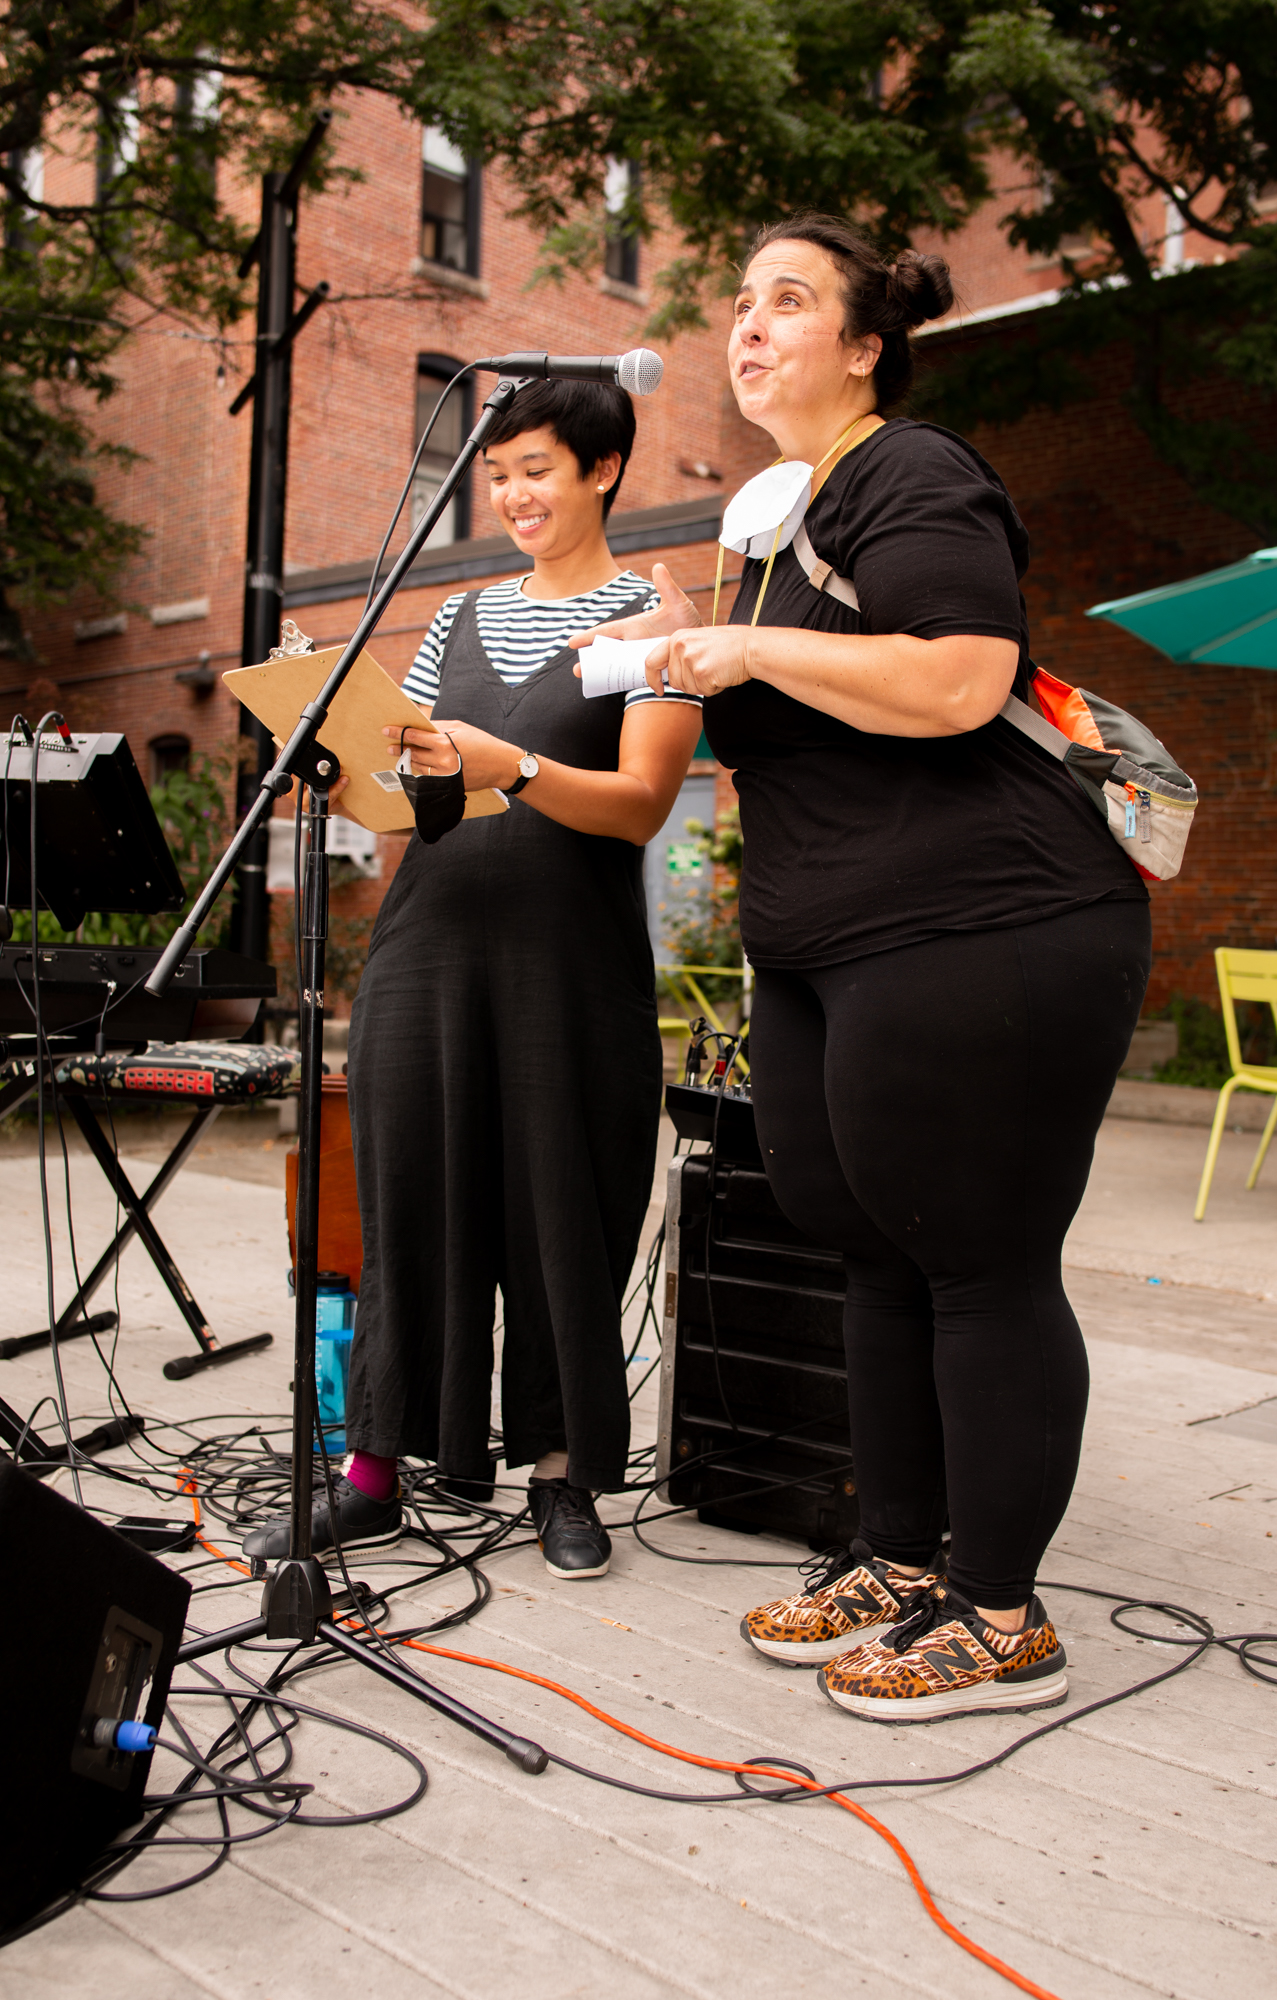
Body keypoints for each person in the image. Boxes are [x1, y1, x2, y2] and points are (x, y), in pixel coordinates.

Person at [579, 216, 1151, 1719]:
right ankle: (899, 1562)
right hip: (828, 941)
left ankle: (1001, 1609)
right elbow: (815, 706)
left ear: (861, 343)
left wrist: (748, 655)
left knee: (974, 1256)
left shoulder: (913, 469)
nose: (748, 327)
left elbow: (959, 676)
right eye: (739, 305)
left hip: (985, 925)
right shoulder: (766, 531)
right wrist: (694, 640)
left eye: (789, 301)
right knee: (871, 1244)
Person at [245, 379, 701, 1580]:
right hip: (427, 945)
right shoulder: (452, 615)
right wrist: (343, 766)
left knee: (562, 1212)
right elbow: (415, 799)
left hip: (567, 963)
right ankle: (376, 1473)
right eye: (498, 475)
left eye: (537, 469)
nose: (512, 495)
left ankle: (561, 1475)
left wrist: (516, 762)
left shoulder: (652, 617)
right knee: (409, 1209)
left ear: (603, 469)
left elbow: (642, 803)